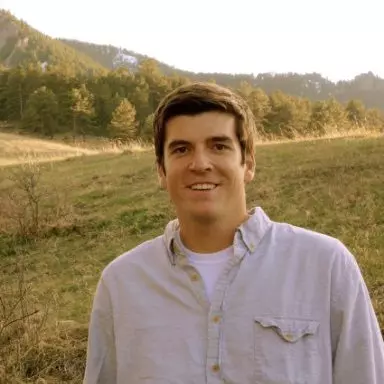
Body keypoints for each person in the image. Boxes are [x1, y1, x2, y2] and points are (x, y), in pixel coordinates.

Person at [83, 82, 384, 384]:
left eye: (219, 146)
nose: (200, 163)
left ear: (248, 163)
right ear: (161, 170)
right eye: (181, 149)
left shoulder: (326, 266)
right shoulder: (121, 284)